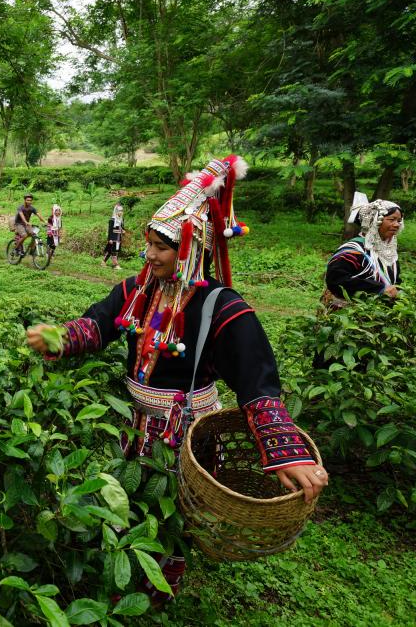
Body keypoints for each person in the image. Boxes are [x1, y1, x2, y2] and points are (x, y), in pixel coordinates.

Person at [26, 155, 327, 601]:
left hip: (183, 430)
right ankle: (126, 569)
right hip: (134, 421)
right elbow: (99, 325)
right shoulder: (135, 289)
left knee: (175, 508)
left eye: (162, 247)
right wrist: (59, 337)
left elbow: (257, 380)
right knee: (128, 500)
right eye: (148, 244)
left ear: (191, 249)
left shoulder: (222, 307)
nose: (150, 255)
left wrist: (286, 450)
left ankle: (161, 581)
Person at [324, 193, 403, 310]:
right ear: (374, 221)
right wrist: (378, 289)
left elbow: (395, 282)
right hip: (349, 315)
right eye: (391, 219)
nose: (396, 225)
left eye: (399, 220)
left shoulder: (388, 253)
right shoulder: (352, 251)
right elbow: (335, 280)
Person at [101, 203, 125, 269]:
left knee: (112, 251)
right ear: (116, 211)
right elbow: (110, 230)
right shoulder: (112, 220)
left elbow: (122, 227)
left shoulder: (121, 220)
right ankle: (116, 265)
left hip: (118, 237)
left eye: (122, 211)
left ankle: (103, 262)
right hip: (113, 238)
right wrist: (110, 239)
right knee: (113, 251)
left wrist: (123, 231)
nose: (121, 212)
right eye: (119, 211)